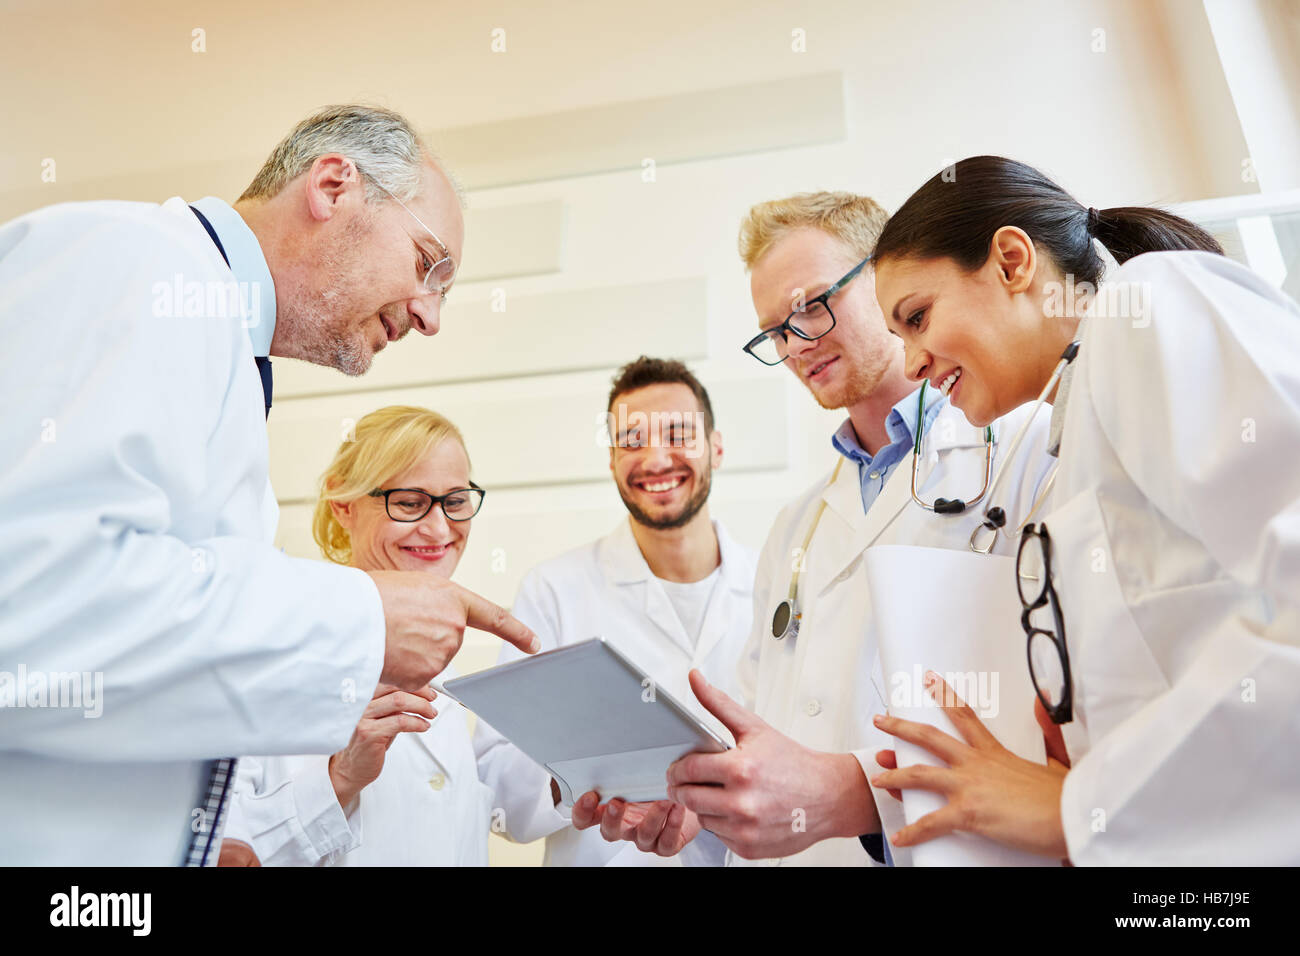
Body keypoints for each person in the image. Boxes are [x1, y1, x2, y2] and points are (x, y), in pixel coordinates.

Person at [0, 105, 536, 866]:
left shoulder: (222, 346)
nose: (430, 316)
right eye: (427, 264)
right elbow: (26, 603)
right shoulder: (141, 266)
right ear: (333, 185)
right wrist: (363, 619)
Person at [583, 193, 1055, 865]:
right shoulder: (795, 527)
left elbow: (1053, 717)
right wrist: (703, 808)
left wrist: (853, 793)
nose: (796, 343)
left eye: (811, 305)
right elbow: (766, 727)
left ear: (883, 275)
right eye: (775, 330)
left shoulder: (1022, 446)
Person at [867, 155, 1300, 865]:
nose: (912, 365)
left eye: (917, 318)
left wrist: (1080, 806)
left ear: (1011, 260)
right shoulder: (1069, 451)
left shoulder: (1151, 304)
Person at [473, 357, 757, 866]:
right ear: (610, 460)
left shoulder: (773, 585)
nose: (654, 459)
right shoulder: (556, 590)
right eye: (631, 440)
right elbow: (496, 784)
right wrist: (577, 785)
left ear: (716, 446)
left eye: (677, 433)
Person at [223, 406, 495, 866]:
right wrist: (340, 778)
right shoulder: (270, 655)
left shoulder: (447, 662)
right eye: (409, 503)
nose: (439, 529)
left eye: (455, 501)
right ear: (343, 506)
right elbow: (225, 850)